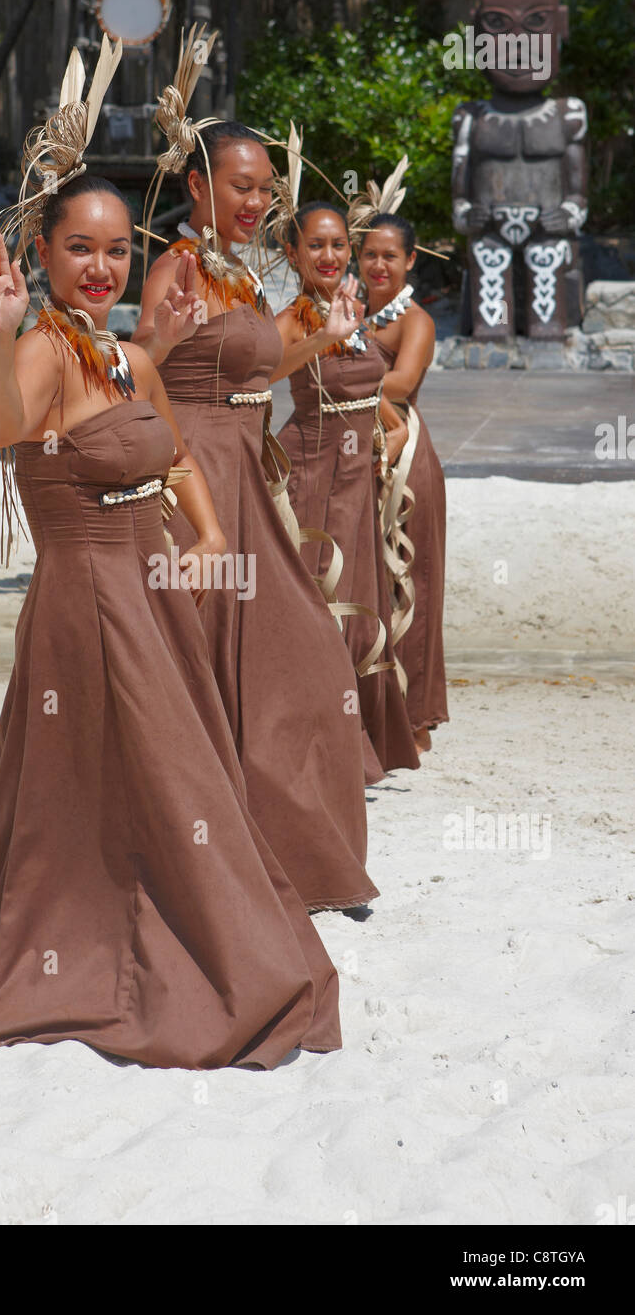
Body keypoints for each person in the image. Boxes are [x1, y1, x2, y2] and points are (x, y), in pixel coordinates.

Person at [0, 49, 342, 1069]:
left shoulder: (122, 353)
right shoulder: (39, 348)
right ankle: (117, 956)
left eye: (116, 250)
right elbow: (6, 428)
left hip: (156, 585)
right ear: (41, 251)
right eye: (79, 249)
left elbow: (171, 450)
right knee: (153, 785)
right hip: (89, 600)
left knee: (175, 783)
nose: (100, 267)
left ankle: (166, 938)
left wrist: (209, 539)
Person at [135, 118, 378, 917]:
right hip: (198, 474)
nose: (258, 200)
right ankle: (205, 865)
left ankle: (288, 861)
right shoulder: (176, 266)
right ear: (197, 186)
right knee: (215, 671)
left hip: (242, 467)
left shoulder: (235, 272)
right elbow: (143, 372)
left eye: (267, 188)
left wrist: (324, 336)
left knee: (301, 658)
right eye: (242, 185)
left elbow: (253, 366)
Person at [275, 201, 420, 775]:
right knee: (323, 606)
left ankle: (359, 743)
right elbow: (259, 376)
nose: (330, 255)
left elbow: (365, 387)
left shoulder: (347, 308)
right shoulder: (294, 317)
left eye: (339, 244)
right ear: (291, 252)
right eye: (316, 245)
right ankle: (321, 751)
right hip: (316, 471)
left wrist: (395, 426)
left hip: (360, 477)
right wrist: (321, 337)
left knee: (363, 614)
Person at [358, 213, 448, 751]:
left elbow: (404, 381)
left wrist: (336, 362)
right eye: (369, 254)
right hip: (359, 456)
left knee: (413, 582)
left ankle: (415, 720)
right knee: (366, 584)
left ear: (410, 261)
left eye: (390, 255)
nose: (378, 264)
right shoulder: (349, 314)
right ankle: (371, 712)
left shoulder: (416, 321)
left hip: (407, 457)